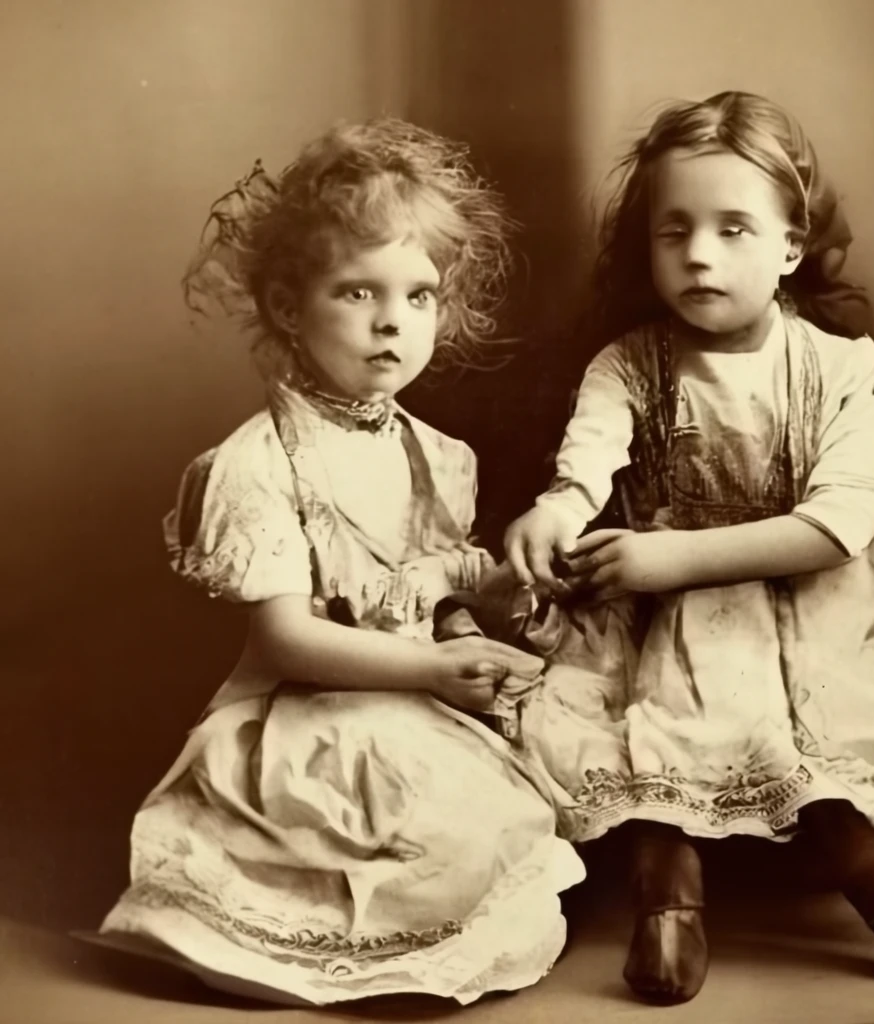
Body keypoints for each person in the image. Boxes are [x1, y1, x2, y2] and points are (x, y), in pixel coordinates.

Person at [97, 118, 584, 1006]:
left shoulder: (438, 457)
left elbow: (437, 595)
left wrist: (486, 620)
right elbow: (288, 641)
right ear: (290, 306)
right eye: (359, 293)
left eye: (420, 296)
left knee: (513, 801)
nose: (393, 323)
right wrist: (435, 669)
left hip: (414, 699)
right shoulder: (261, 459)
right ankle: (290, 944)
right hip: (305, 716)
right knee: (395, 815)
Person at [504, 91, 874, 1004]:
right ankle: (666, 889)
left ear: (791, 246)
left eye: (733, 229)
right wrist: (555, 512)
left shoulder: (840, 365)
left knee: (792, 713)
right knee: (658, 702)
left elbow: (843, 517)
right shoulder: (628, 366)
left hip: (821, 596)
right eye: (675, 232)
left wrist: (671, 560)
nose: (700, 255)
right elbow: (584, 466)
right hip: (661, 609)